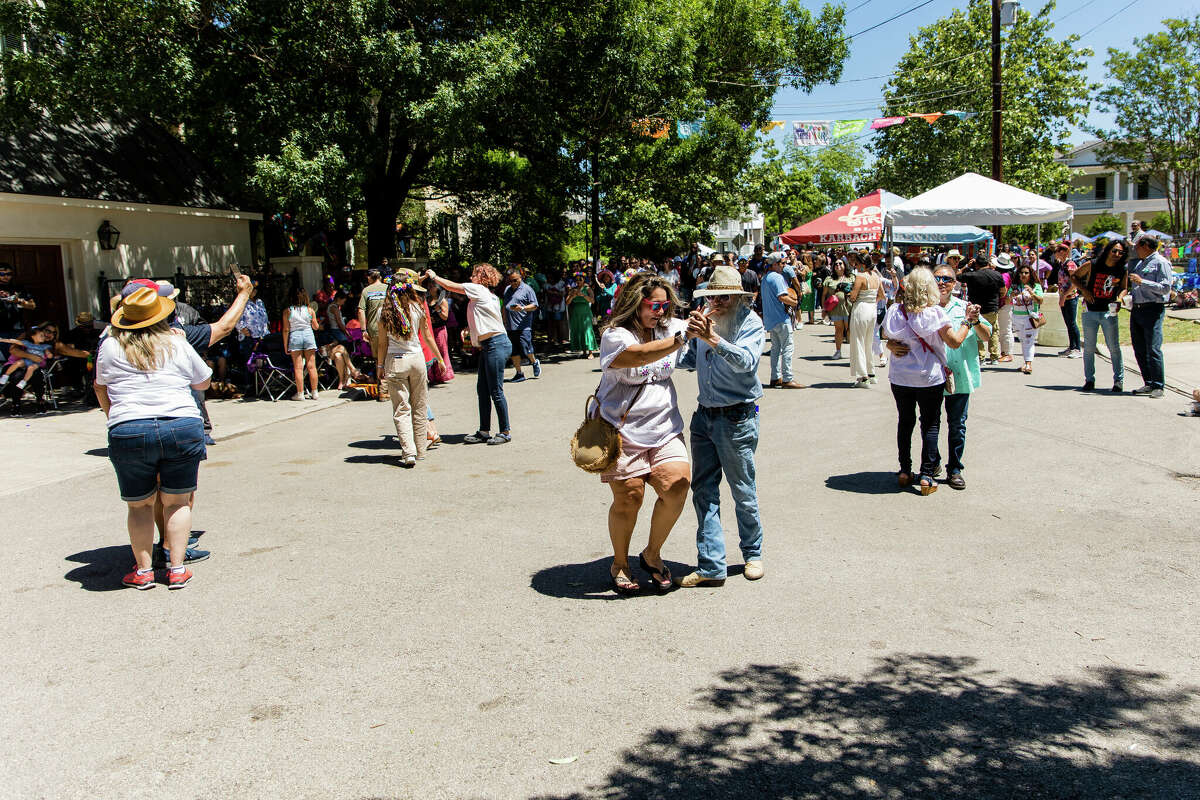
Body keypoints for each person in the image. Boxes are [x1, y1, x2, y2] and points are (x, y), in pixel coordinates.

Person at [93, 287, 211, 590]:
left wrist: (115, 416)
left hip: (129, 427)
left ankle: (143, 572)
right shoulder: (176, 342)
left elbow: (100, 387)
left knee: (139, 505)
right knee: (177, 502)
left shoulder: (109, 346)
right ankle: (176, 568)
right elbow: (203, 380)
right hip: (180, 424)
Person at [595, 273, 692, 594]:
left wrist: (713, 319)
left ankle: (651, 553)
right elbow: (637, 356)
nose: (661, 311)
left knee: (677, 485)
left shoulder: (672, 327)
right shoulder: (616, 335)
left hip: (665, 427)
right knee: (630, 496)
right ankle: (620, 563)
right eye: (654, 305)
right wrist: (679, 341)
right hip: (622, 430)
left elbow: (707, 326)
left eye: (666, 305)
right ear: (636, 303)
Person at [676, 264, 766, 587]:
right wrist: (684, 337)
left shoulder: (750, 323)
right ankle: (711, 564)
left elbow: (747, 363)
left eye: (726, 296)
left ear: (739, 297)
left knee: (742, 490)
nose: (719, 301)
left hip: (737, 416)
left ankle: (753, 553)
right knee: (703, 490)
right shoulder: (706, 321)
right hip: (705, 416)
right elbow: (687, 360)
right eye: (715, 296)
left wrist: (711, 337)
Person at [890, 264, 991, 490]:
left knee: (956, 425)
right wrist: (890, 344)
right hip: (931, 379)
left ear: (954, 283)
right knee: (929, 425)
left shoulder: (966, 307)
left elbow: (986, 335)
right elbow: (893, 335)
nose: (942, 282)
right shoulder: (925, 308)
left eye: (947, 278)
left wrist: (972, 321)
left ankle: (954, 468)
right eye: (937, 278)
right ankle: (930, 466)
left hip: (957, 376)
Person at [427, 263, 513, 445]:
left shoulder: (478, 289)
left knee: (495, 390)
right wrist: (469, 329)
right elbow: (488, 319)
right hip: (492, 344)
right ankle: (484, 431)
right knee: (483, 390)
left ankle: (505, 431)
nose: (471, 277)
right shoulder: (490, 296)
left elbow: (451, 286)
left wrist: (434, 277)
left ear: (481, 277)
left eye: (474, 274)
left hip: (495, 344)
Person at [376, 270, 442, 468]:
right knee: (419, 405)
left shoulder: (383, 312)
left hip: (395, 362)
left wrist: (379, 366)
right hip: (417, 360)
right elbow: (428, 336)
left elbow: (382, 344)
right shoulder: (418, 308)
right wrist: (439, 358)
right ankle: (421, 449)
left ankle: (408, 452)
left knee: (401, 409)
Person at [1071, 239, 1129, 392]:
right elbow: (1074, 276)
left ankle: (1118, 381)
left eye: (1121, 252)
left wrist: (1119, 298)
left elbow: (1124, 288)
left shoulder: (1122, 269)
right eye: (1114, 251)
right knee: (1089, 348)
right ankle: (1089, 380)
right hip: (1090, 311)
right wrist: (1084, 291)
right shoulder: (1093, 264)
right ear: (1108, 250)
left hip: (1109, 311)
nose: (1117, 254)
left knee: (1114, 347)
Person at [1127, 234, 1173, 398]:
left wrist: (1142, 282)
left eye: (1137, 246)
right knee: (1139, 348)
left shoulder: (1161, 262)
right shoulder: (1141, 263)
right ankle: (1148, 382)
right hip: (1138, 308)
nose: (1135, 250)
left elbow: (1166, 288)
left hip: (1152, 308)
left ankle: (1158, 385)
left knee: (1153, 348)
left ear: (1146, 246)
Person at [762, 255, 803, 389]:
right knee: (787, 348)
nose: (784, 265)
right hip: (781, 318)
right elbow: (782, 296)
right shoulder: (777, 277)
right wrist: (795, 302)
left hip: (770, 319)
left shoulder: (765, 278)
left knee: (775, 349)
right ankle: (787, 378)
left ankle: (775, 377)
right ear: (775, 264)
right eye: (782, 263)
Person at [957, 252, 1005, 364]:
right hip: (992, 307)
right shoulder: (997, 275)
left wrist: (967, 266)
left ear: (976, 264)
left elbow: (957, 275)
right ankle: (994, 356)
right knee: (993, 331)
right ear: (988, 263)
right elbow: (1003, 291)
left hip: (976, 309)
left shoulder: (972, 275)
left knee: (977, 331)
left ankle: (981, 356)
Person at [848, 252, 883, 387]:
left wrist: (849, 294)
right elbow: (881, 295)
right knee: (868, 342)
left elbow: (853, 297)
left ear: (862, 264)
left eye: (856, 263)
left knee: (858, 342)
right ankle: (871, 373)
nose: (855, 266)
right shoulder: (875, 276)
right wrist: (871, 301)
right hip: (872, 309)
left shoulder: (860, 277)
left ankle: (863, 377)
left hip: (861, 309)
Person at [502, 268, 540, 381]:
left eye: (515, 280)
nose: (512, 283)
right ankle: (519, 373)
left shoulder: (527, 289)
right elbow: (504, 306)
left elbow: (535, 305)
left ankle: (534, 362)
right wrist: (503, 320)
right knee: (513, 350)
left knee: (525, 347)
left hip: (524, 325)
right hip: (510, 326)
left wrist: (522, 308)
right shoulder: (507, 289)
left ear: (520, 278)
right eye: (510, 281)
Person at [282, 287, 320, 400]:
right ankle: (315, 392)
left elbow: (285, 330)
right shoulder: (310, 310)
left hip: (295, 337)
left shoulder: (287, 311)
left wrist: (286, 345)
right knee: (312, 366)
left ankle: (300, 394)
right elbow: (316, 327)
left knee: (298, 368)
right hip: (308, 336)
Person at [1007, 263, 1044, 375]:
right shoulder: (1014, 286)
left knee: (1029, 340)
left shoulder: (1036, 286)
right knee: (1023, 340)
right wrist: (1011, 295)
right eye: (1021, 273)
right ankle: (1026, 362)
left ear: (1030, 274)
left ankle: (1028, 364)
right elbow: (1007, 302)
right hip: (1017, 317)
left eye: (1026, 273)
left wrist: (1032, 293)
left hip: (1030, 317)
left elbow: (1040, 300)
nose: (1023, 275)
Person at [426, 280, 456, 382]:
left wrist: (438, 310)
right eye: (429, 286)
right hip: (430, 329)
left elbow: (445, 317)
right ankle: (432, 376)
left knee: (441, 352)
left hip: (440, 330)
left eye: (432, 286)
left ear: (437, 288)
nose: (430, 287)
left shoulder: (442, 300)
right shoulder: (427, 299)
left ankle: (442, 375)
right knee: (430, 352)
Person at [823, 258, 853, 358]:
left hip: (849, 307)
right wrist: (824, 310)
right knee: (838, 330)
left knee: (850, 330)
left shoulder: (852, 277)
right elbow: (824, 295)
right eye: (836, 264)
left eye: (840, 263)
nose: (838, 265)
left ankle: (854, 352)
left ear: (845, 265)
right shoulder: (829, 279)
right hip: (836, 309)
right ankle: (838, 351)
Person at [0, 262, 36, 339]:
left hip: (17, 328)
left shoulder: (18, 288)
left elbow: (32, 306)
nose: (6, 277)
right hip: (1, 330)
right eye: (2, 274)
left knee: (18, 350)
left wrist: (19, 301)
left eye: (9, 274)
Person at [566, 271, 598, 358]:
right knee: (579, 330)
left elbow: (592, 301)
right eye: (577, 280)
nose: (578, 281)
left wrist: (583, 295)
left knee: (587, 331)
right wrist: (573, 296)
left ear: (584, 280)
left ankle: (590, 352)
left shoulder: (588, 289)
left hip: (585, 312)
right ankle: (584, 351)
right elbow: (567, 302)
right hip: (576, 313)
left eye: (580, 279)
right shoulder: (573, 289)